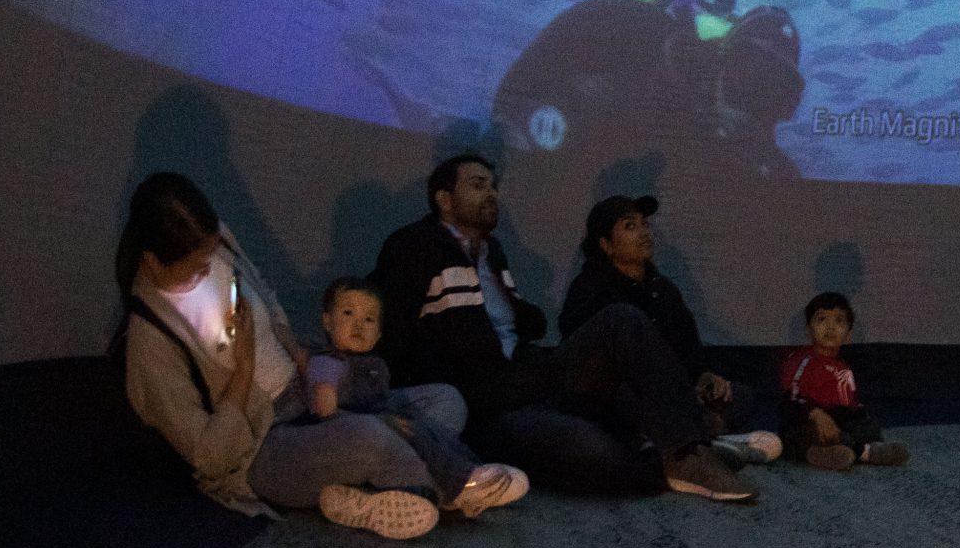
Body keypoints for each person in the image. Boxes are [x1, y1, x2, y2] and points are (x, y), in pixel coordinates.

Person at [373, 153, 754, 501]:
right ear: (443, 198)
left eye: (493, 186)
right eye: (477, 185)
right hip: (485, 406)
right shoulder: (414, 245)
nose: (491, 193)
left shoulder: (492, 253)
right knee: (594, 453)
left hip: (530, 379)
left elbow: (512, 326)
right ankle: (685, 448)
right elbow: (393, 329)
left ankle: (687, 451)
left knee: (623, 322)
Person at [117, 172, 464, 539]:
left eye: (211, 253)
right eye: (195, 266)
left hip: (307, 393)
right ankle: (454, 486)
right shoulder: (150, 341)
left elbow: (263, 292)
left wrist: (298, 354)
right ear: (153, 261)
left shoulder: (215, 239)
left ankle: (355, 493)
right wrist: (244, 368)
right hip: (267, 444)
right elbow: (210, 458)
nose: (208, 269)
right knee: (373, 435)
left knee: (447, 400)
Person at [302, 276, 528, 518]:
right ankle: (460, 485)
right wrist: (378, 423)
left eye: (368, 319)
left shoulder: (370, 363)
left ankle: (470, 470)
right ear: (327, 321)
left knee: (423, 428)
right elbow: (326, 411)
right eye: (348, 313)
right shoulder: (330, 361)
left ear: (378, 334)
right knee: (412, 432)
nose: (359, 325)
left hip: (378, 419)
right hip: (356, 432)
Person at [558, 188, 751, 438]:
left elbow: (688, 349)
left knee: (739, 395)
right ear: (606, 245)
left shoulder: (663, 289)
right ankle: (695, 437)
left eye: (645, 224)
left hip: (675, 395)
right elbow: (586, 364)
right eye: (630, 226)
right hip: (621, 396)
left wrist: (703, 377)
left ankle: (696, 433)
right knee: (626, 405)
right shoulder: (590, 289)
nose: (644, 233)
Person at [777, 291, 908, 471]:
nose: (830, 327)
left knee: (869, 428)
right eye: (822, 319)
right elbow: (789, 400)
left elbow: (850, 406)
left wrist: (859, 418)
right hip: (808, 420)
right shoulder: (801, 360)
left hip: (838, 424)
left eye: (839, 321)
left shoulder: (844, 368)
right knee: (800, 435)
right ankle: (862, 452)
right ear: (808, 329)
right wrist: (816, 414)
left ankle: (839, 451)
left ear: (848, 334)